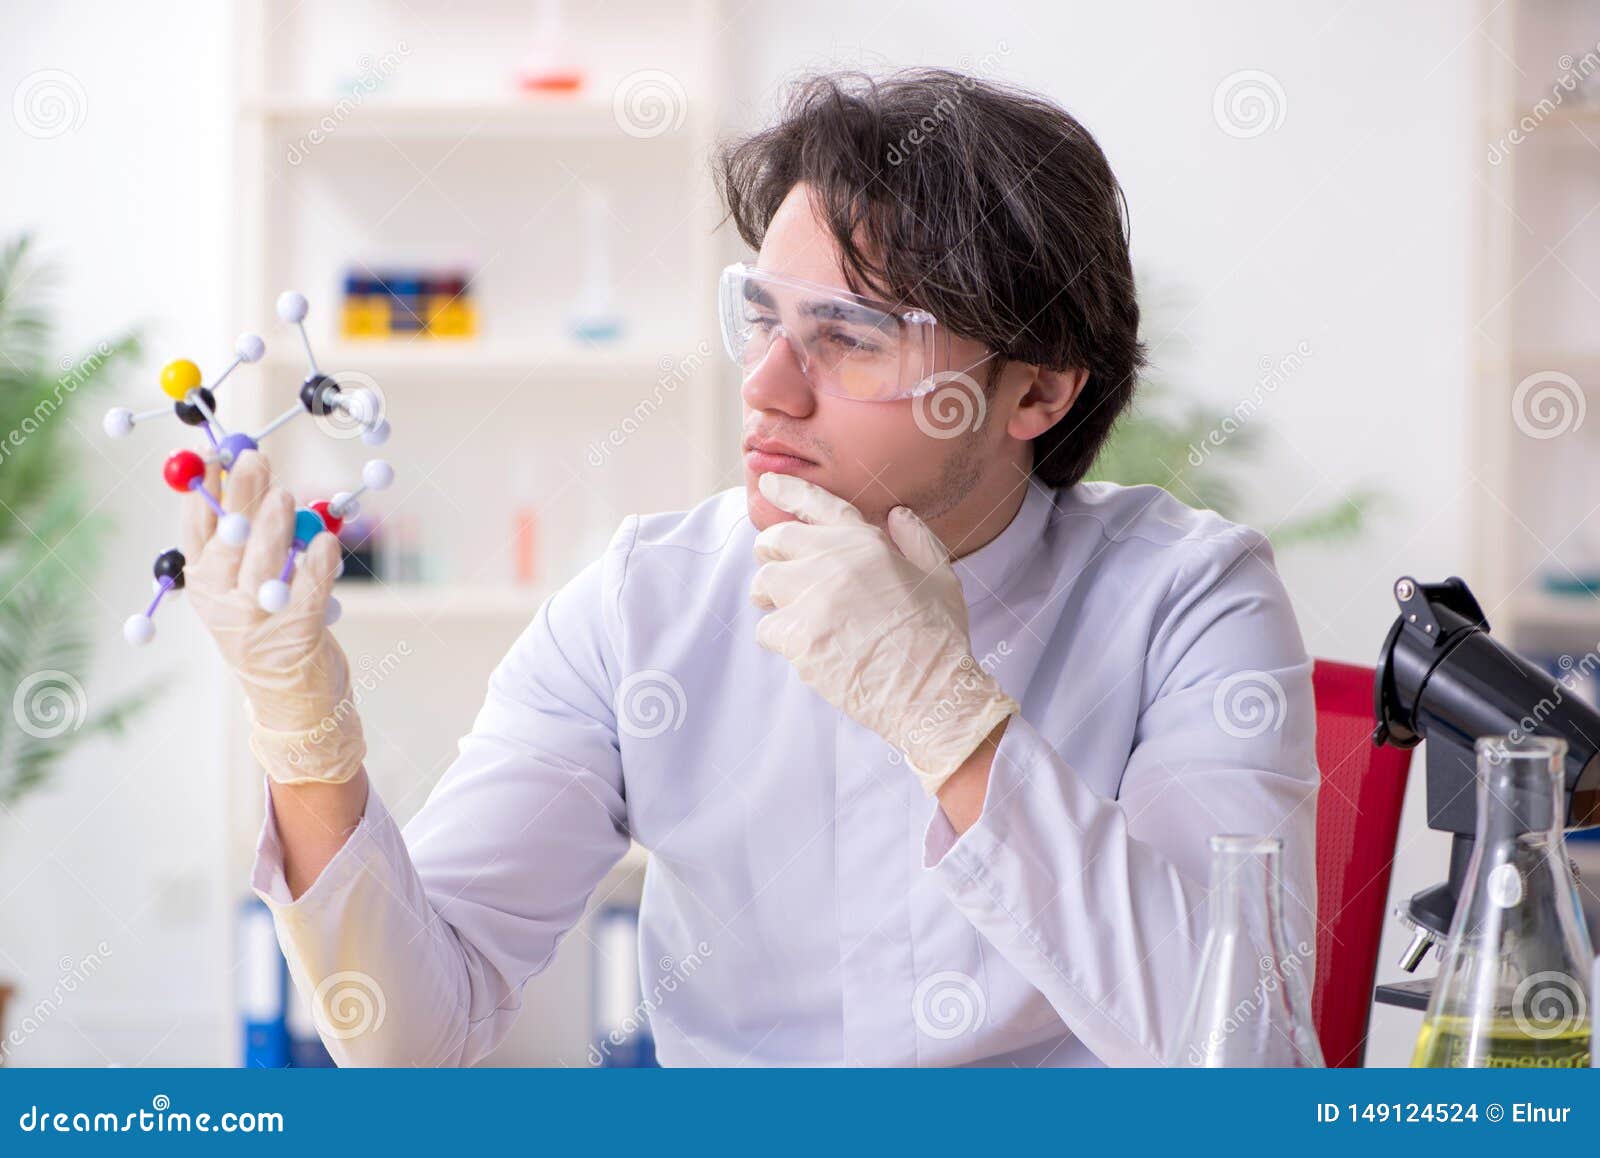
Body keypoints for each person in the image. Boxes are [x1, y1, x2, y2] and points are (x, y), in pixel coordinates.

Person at [182, 68, 1319, 1067]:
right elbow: (406, 1037)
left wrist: (949, 718)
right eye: (761, 318)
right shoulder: (647, 605)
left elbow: (1245, 1065)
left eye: (852, 338)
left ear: (1036, 391)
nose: (767, 386)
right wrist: (304, 729)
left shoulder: (1186, 599)